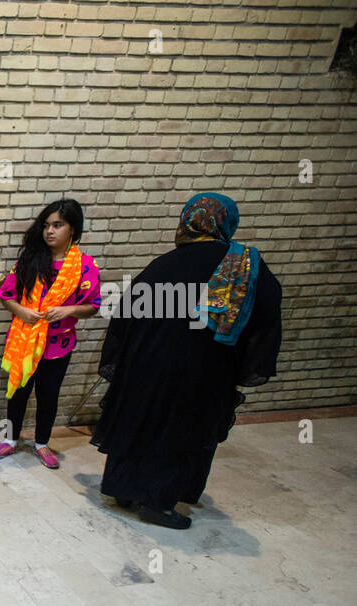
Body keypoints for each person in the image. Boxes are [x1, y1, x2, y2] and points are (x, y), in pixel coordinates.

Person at [91, 192, 282, 529]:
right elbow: (265, 314)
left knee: (140, 420)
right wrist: (246, 364)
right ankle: (158, 502)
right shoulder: (243, 265)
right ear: (225, 222)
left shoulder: (163, 264)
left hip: (145, 364)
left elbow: (125, 315)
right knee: (181, 430)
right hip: (201, 370)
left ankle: (122, 488)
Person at [0, 199, 101, 468]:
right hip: (24, 341)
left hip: (57, 346)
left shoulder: (85, 266)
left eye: (58, 225)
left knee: (48, 395)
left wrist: (69, 310)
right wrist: (22, 312)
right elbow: (6, 295)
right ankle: (10, 440)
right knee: (17, 392)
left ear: (73, 229)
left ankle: (42, 444)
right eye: (47, 225)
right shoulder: (30, 260)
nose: (50, 231)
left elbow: (93, 306)